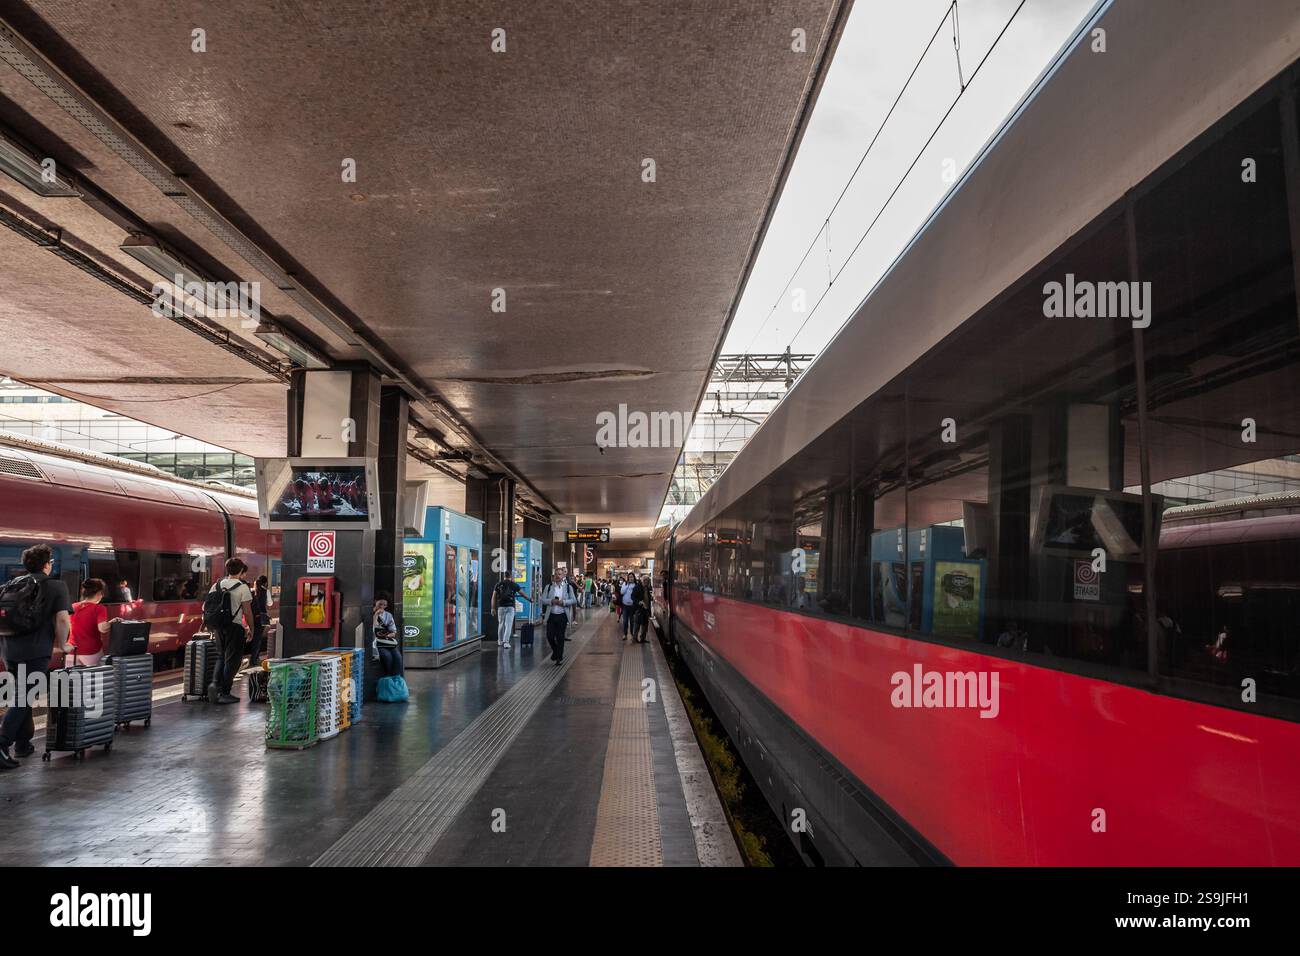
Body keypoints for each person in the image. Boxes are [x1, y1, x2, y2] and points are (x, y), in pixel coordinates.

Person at [0, 544, 71, 768]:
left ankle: (22, 744)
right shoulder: (56, 586)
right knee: (24, 698)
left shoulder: (11, 584)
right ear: (48, 564)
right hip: (35, 651)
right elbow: (62, 619)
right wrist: (64, 644)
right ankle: (2, 745)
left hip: (9, 650)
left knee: (21, 696)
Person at [206, 558, 253, 704]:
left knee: (220, 656)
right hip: (235, 626)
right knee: (232, 661)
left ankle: (215, 684)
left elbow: (207, 607)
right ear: (240, 570)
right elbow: (247, 611)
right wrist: (251, 628)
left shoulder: (216, 585)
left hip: (219, 627)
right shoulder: (242, 587)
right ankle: (225, 691)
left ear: (227, 569)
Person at [65, 578, 122, 667]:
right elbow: (102, 628)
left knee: (73, 680)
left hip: (72, 652)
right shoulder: (99, 608)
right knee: (95, 679)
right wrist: (112, 622)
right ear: (99, 593)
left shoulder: (73, 606)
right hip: (91, 652)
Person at [540, 569, 576, 664]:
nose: (557, 576)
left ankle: (559, 658)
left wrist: (563, 602)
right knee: (550, 636)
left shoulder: (568, 587)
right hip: (551, 616)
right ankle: (556, 651)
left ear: (563, 575)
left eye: (559, 574)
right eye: (556, 574)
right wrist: (551, 601)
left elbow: (573, 600)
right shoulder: (548, 587)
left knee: (560, 637)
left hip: (562, 616)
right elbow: (543, 600)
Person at [491, 574, 527, 649]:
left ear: (504, 576)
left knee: (501, 624)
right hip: (510, 606)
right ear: (511, 576)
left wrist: (493, 608)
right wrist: (529, 599)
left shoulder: (498, 584)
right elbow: (522, 594)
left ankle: (500, 641)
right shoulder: (514, 584)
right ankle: (506, 642)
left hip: (501, 606)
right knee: (508, 625)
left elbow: (493, 597)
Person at [372, 592, 401, 677]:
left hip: (386, 642)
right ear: (375, 601)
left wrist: (388, 635)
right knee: (387, 656)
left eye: (384, 605)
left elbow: (393, 632)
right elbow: (375, 627)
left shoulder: (388, 615)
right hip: (375, 643)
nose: (382, 607)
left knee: (398, 657)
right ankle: (387, 677)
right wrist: (376, 615)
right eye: (380, 604)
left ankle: (396, 678)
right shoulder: (370, 613)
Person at [247, 575, 270, 667]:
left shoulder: (251, 592)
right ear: (265, 583)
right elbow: (270, 603)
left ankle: (253, 658)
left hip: (251, 617)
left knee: (251, 637)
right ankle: (254, 659)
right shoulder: (266, 591)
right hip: (260, 618)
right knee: (257, 639)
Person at [620, 574, 637, 638]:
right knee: (625, 621)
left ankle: (632, 634)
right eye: (629, 577)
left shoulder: (636, 585)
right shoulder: (625, 584)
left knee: (632, 621)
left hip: (632, 606)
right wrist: (627, 585)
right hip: (625, 606)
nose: (631, 578)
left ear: (634, 578)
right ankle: (625, 634)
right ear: (628, 578)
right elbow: (622, 592)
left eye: (632, 577)